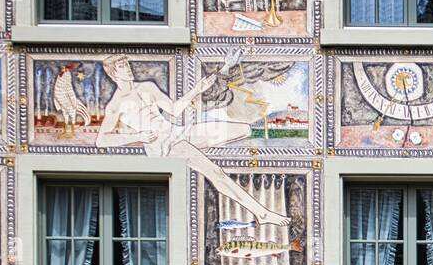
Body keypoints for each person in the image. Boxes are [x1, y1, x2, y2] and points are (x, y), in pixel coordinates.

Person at [93, 52, 290, 226]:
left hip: (177, 132)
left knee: (243, 129)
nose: (128, 69)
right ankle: (262, 213)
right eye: (122, 67)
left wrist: (217, 73)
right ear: (114, 73)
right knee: (216, 172)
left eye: (127, 65)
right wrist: (138, 136)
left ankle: (283, 135)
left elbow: (174, 109)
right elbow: (102, 140)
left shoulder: (147, 87)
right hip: (163, 146)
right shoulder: (115, 104)